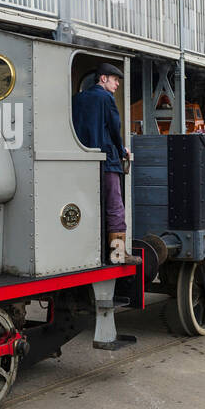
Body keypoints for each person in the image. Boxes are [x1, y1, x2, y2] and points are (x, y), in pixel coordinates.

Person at [72, 63, 134, 263]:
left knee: (88, 206)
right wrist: (121, 149)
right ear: (103, 78)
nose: (117, 84)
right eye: (115, 80)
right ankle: (118, 253)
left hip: (83, 160)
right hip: (106, 161)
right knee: (115, 206)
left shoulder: (78, 99)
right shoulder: (106, 98)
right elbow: (115, 129)